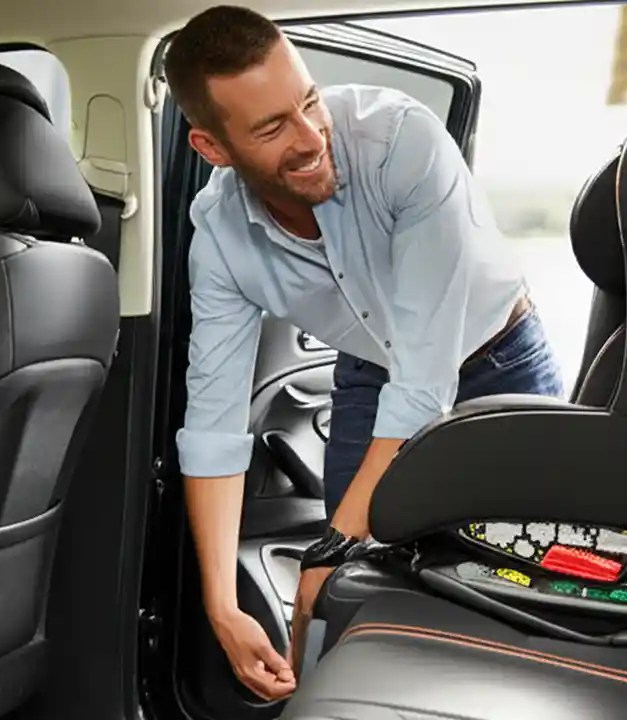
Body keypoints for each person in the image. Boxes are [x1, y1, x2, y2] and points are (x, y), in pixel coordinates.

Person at [163, 5, 565, 701]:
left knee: (525, 587)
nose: (310, 136)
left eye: (309, 101)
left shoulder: (398, 140)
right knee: (349, 603)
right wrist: (222, 606)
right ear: (213, 148)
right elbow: (214, 429)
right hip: (371, 375)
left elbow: (424, 382)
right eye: (270, 127)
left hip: (500, 358)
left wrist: (331, 549)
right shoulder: (221, 243)